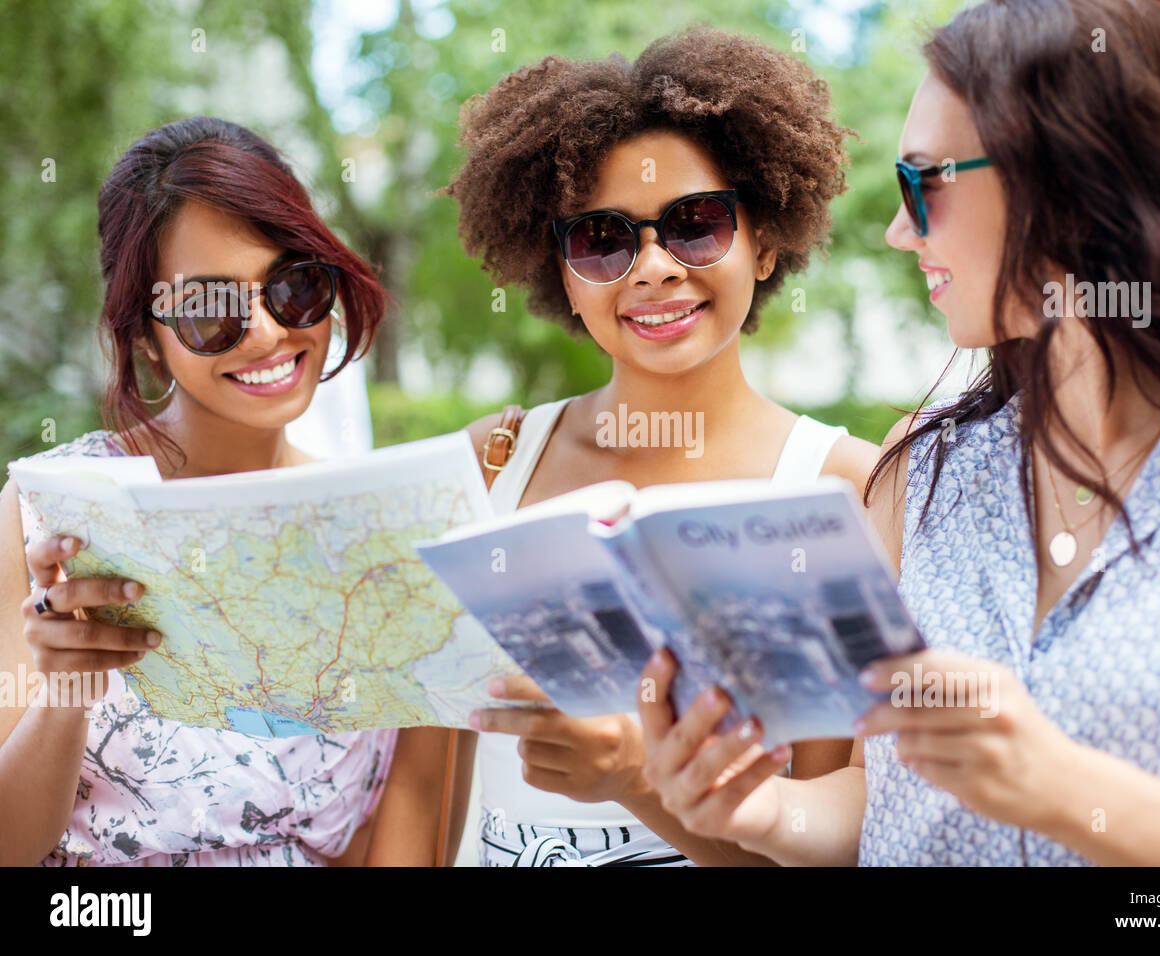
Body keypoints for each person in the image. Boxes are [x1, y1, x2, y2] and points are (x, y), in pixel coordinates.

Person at [637, 0, 1160, 865]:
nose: (899, 229)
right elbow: (887, 805)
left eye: (925, 183)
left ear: (1066, 173)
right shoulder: (922, 470)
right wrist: (757, 812)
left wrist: (1062, 789)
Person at [442, 27, 878, 866]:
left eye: (696, 224)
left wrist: (640, 779)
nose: (652, 268)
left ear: (767, 237)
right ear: (560, 268)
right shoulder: (492, 462)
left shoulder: (846, 489)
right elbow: (429, 777)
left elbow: (827, 851)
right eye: (603, 239)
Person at [0, 116, 461, 866]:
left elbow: (409, 832)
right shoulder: (50, 515)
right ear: (144, 336)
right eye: (211, 310)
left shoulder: (390, 527)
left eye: (294, 285)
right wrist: (64, 696)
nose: (265, 334)